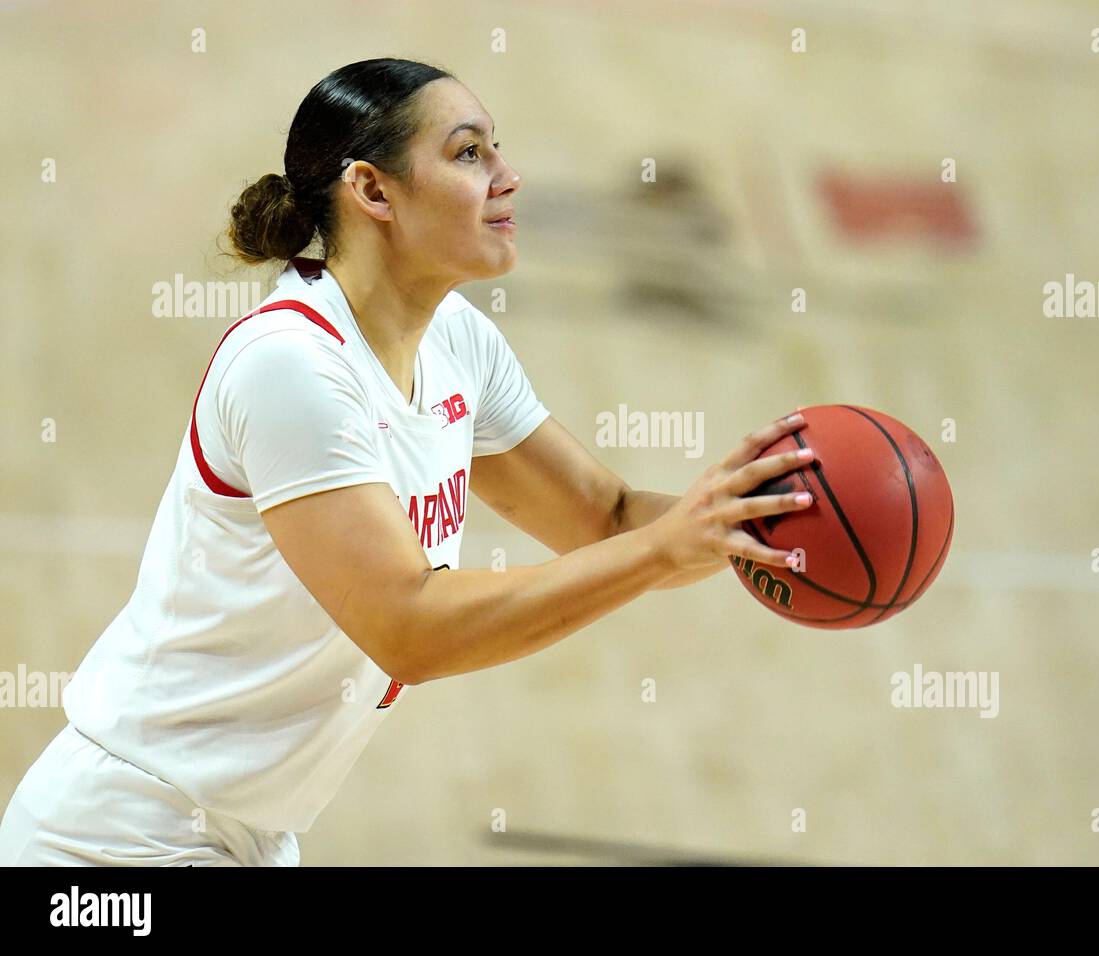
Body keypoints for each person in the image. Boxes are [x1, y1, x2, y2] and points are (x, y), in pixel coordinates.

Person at [0, 57, 815, 866]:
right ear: (374, 191)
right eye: (469, 154)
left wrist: (747, 516)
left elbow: (600, 518)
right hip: (120, 838)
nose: (508, 177)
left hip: (243, 835)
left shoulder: (457, 339)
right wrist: (664, 548)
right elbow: (410, 629)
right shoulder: (292, 365)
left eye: (496, 149)